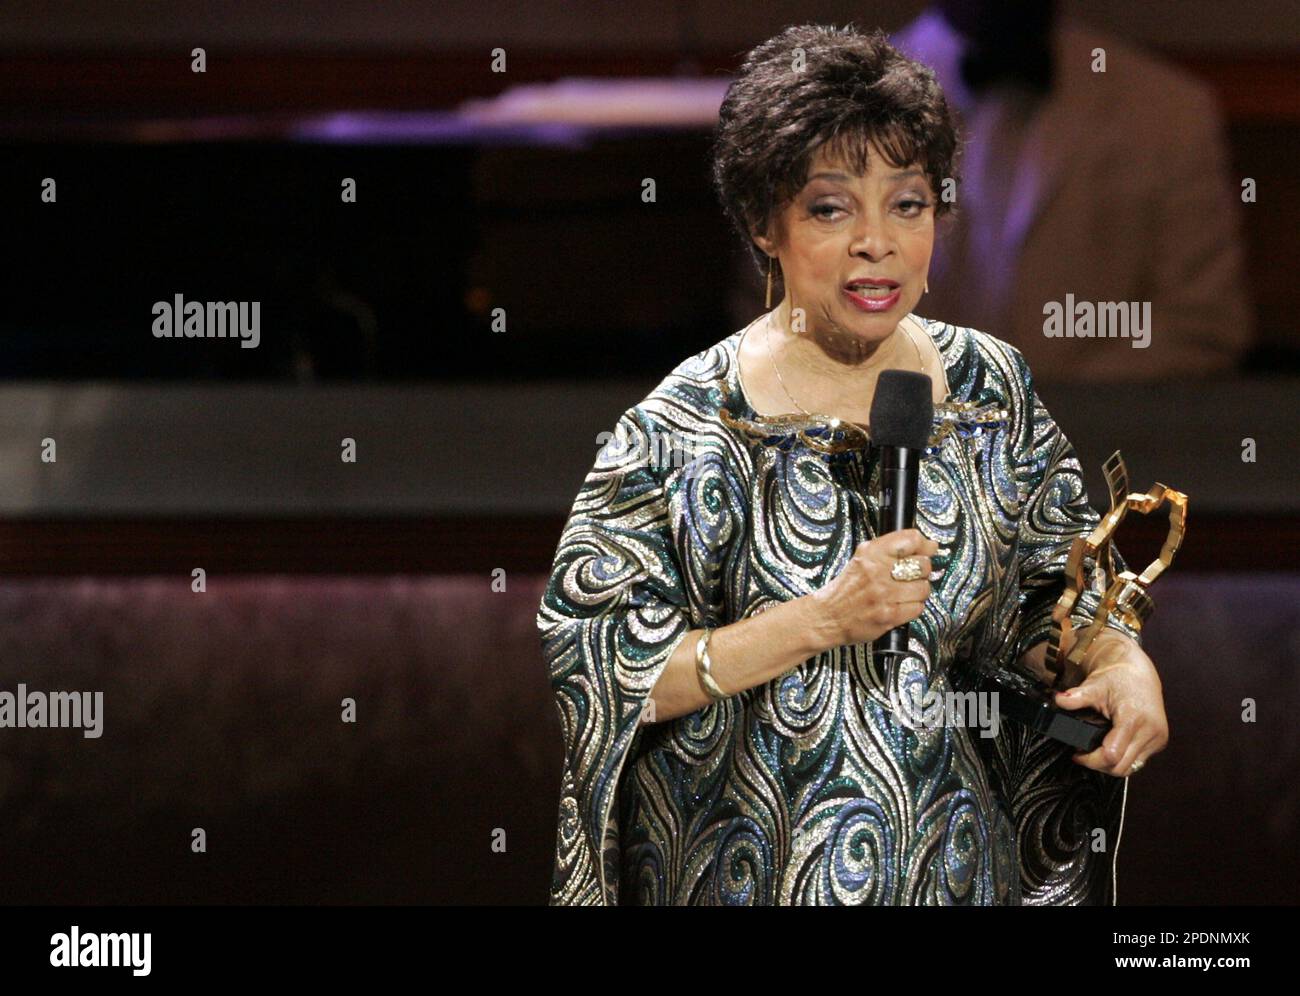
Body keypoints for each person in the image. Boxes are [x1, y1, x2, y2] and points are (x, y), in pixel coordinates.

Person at [537, 24, 1168, 906]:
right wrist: (824, 619)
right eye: (832, 209)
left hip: (956, 871)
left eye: (907, 205)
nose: (877, 243)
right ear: (765, 224)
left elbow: (1052, 598)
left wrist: (1119, 661)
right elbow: (601, 665)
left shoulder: (993, 389)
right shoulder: (691, 424)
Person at [889, 0, 1255, 380]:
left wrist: (1059, 411)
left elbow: (1203, 323)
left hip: (1106, 433)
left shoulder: (1169, 111)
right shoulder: (840, 105)